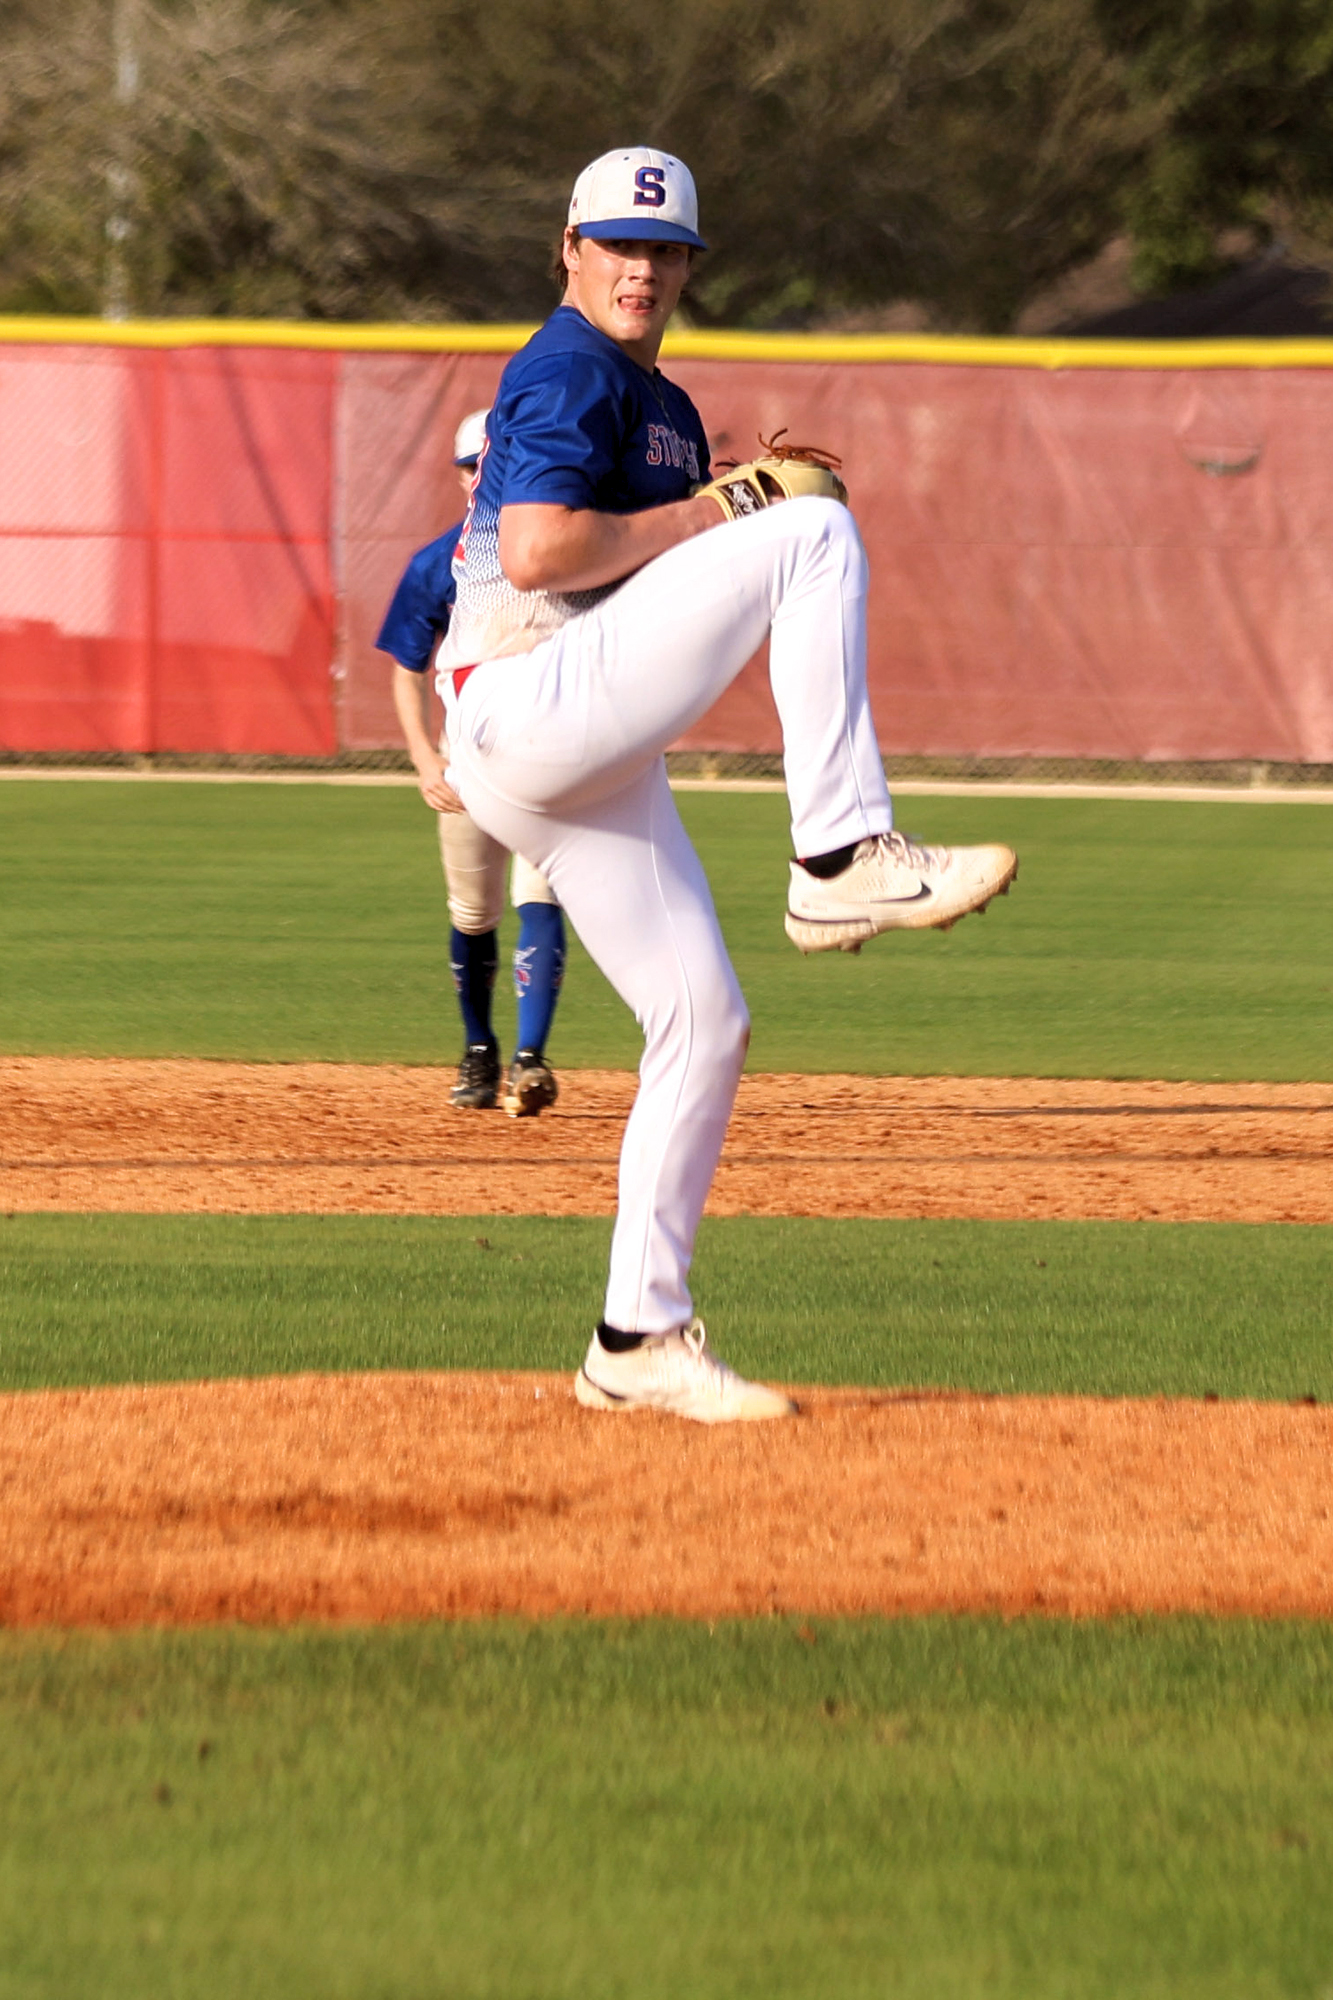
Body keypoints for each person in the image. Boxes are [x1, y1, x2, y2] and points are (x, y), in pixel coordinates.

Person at [434, 146, 1018, 1421]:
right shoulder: (568, 365)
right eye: (618, 243)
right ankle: (838, 854)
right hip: (522, 701)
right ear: (570, 250)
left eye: (665, 248)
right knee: (811, 532)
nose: (641, 268)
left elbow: (643, 573)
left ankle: (635, 1336)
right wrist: (726, 515)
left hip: (579, 749)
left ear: (688, 265)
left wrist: (717, 508)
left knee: (703, 1020)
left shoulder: (667, 408)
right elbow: (535, 551)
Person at [377, 408, 566, 1118]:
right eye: (470, 465)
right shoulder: (438, 562)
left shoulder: (560, 550)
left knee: (541, 896)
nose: (480, 475)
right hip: (466, 763)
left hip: (550, 755)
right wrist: (424, 758)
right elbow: (406, 666)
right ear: (463, 476)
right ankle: (480, 1049)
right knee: (473, 912)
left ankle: (530, 1058)